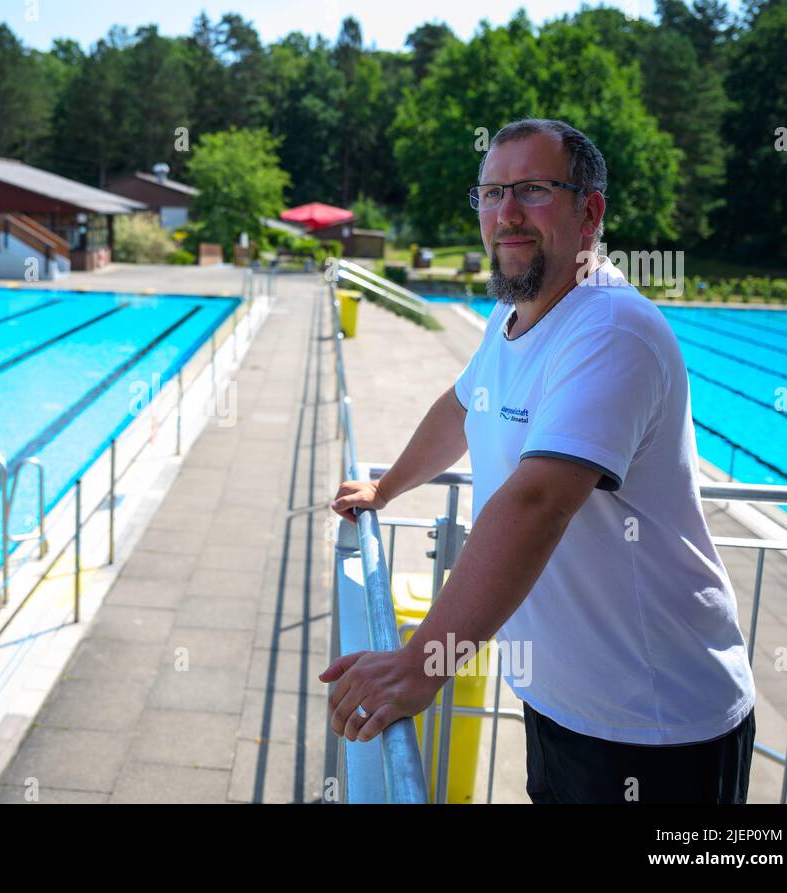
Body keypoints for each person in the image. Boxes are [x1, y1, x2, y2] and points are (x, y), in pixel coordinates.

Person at [320, 119, 756, 804]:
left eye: (532, 189)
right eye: (492, 192)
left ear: (590, 212)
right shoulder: (514, 311)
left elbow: (538, 501)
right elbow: (464, 406)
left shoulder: (611, 329)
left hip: (656, 721)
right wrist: (386, 487)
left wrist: (420, 663)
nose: (507, 213)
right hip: (562, 699)